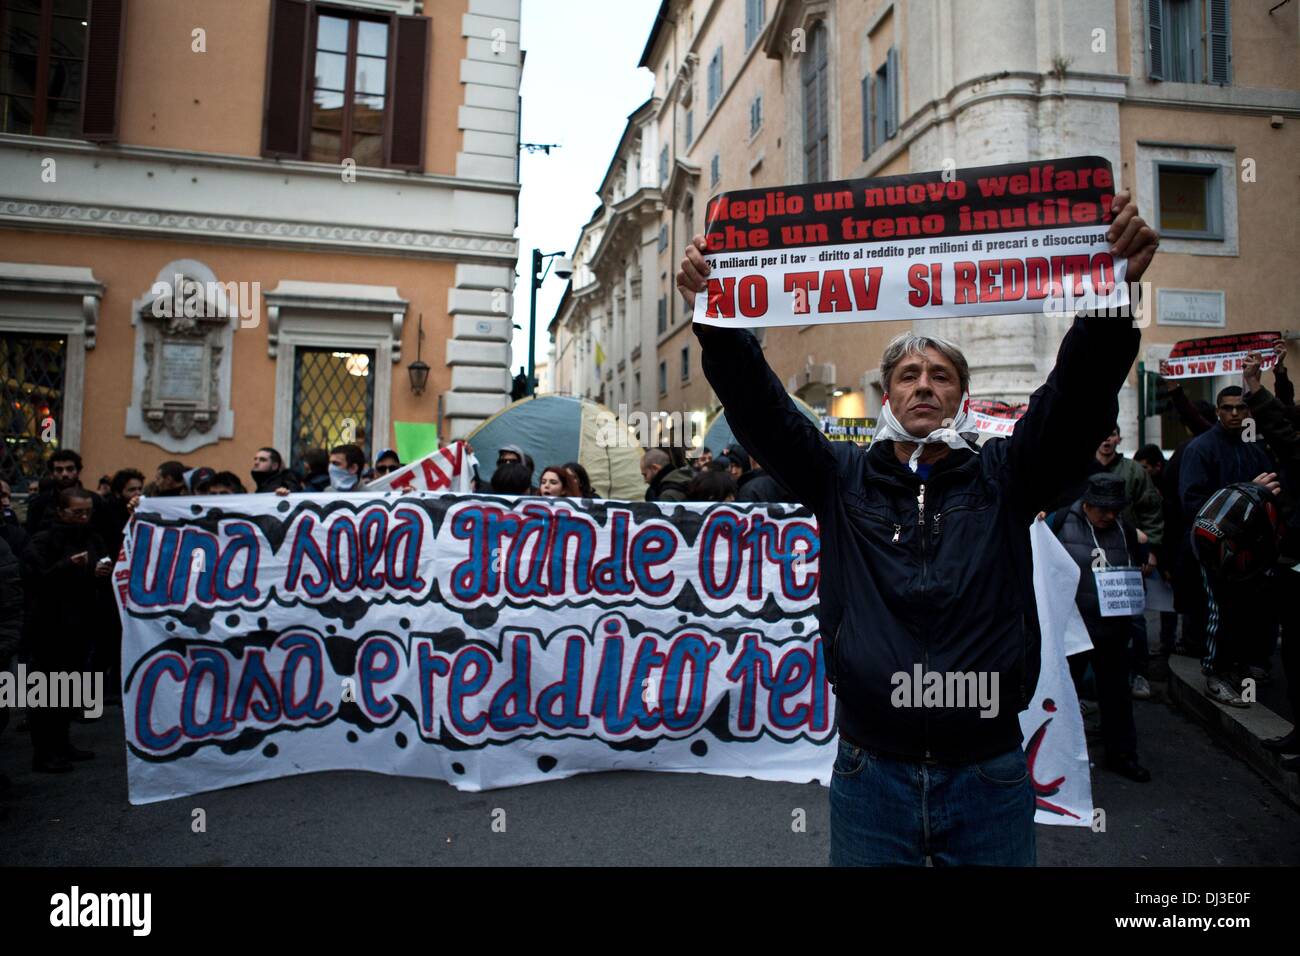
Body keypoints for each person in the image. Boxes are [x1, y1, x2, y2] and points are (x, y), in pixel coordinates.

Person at [677, 189, 1158, 866]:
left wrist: (1110, 299)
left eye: (940, 375)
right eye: (908, 374)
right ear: (888, 394)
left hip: (987, 771)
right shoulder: (840, 478)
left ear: (961, 396)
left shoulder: (1005, 476)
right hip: (872, 773)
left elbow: (1074, 404)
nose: (924, 385)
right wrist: (717, 318)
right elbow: (761, 408)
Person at [1045, 474, 1152, 782]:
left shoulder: (1124, 529)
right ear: (1087, 503)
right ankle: (1053, 761)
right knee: (1063, 695)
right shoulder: (1061, 521)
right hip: (1071, 628)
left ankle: (1122, 755)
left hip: (1113, 630)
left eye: (1114, 510)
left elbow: (1137, 564)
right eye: (1102, 509)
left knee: (1117, 696)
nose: (1108, 516)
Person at [1179, 385, 1277, 705]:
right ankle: (1215, 673)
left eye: (1241, 408)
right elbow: (1193, 502)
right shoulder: (1201, 448)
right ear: (1218, 411)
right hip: (1213, 547)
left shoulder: (1254, 448)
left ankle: (1237, 668)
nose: (1235, 413)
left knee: (1247, 611)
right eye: (1228, 408)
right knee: (1219, 610)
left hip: (1250, 550)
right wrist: (1250, 490)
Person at [21, 488, 110, 772]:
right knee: (47, 691)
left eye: (87, 512)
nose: (83, 517)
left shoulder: (92, 537)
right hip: (50, 625)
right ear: (61, 512)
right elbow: (35, 580)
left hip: (81, 623)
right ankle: (44, 751)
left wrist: (99, 572)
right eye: (77, 512)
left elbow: (100, 568)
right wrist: (67, 567)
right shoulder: (43, 540)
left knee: (70, 687)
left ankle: (62, 744)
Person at [24, 449, 100, 533]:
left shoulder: (95, 501)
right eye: (59, 470)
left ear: (78, 471)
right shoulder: (39, 503)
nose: (65, 474)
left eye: (70, 469)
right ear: (52, 473)